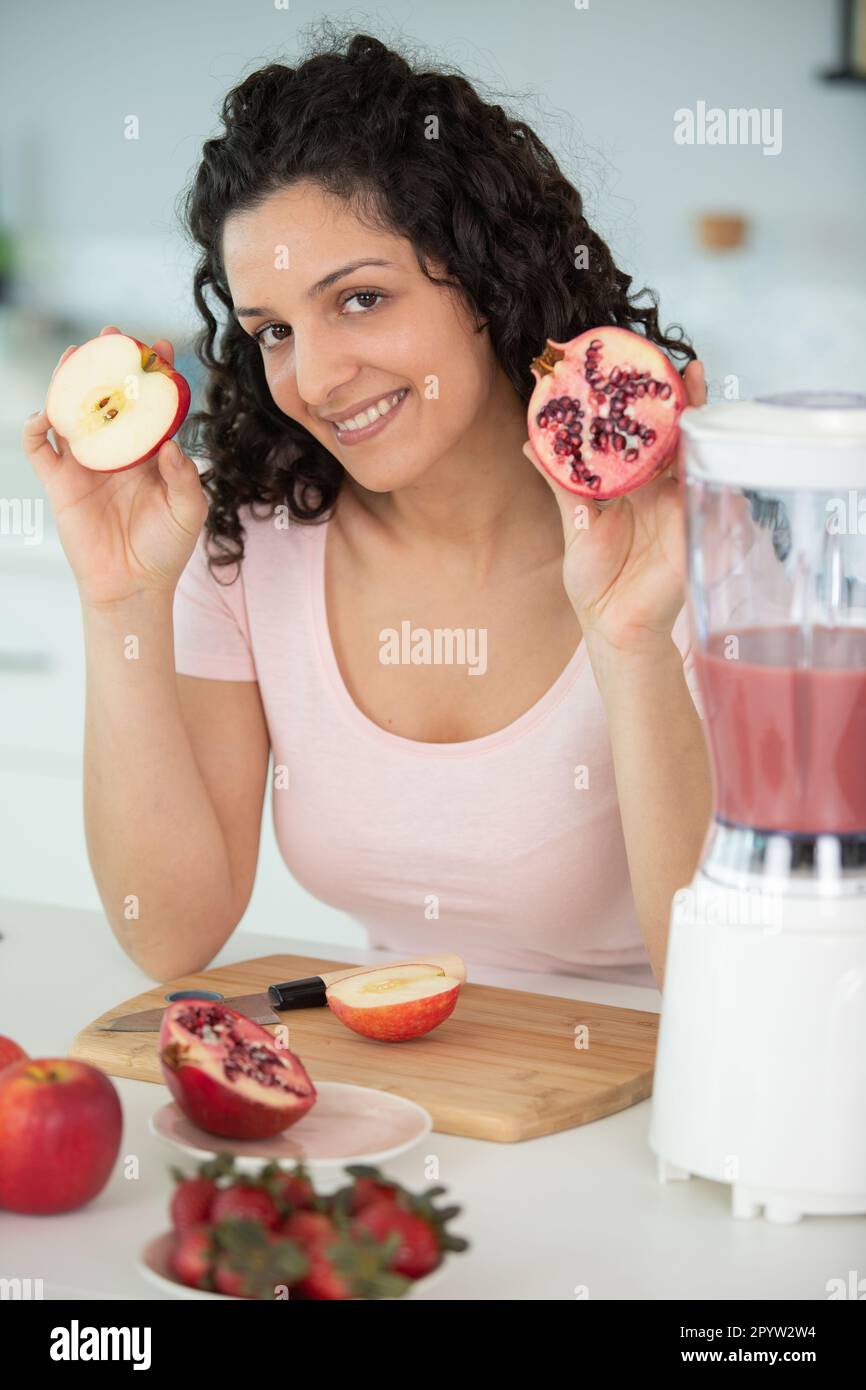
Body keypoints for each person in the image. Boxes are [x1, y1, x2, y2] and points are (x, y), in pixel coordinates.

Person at [23, 31, 711, 989]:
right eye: (273, 331)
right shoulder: (253, 549)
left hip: (661, 1092)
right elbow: (167, 935)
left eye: (359, 300)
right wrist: (118, 605)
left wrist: (635, 646)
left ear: (485, 270)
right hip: (408, 1086)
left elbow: (725, 980)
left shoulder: (686, 544)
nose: (314, 378)